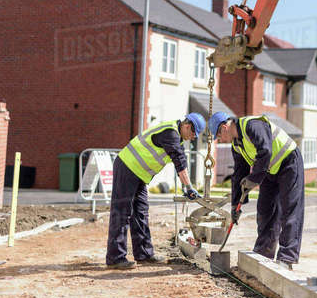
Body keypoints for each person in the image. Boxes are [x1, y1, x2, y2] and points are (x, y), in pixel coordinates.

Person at [105, 113, 205, 269]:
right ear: (187, 126)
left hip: (138, 174)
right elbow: (179, 160)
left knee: (141, 213)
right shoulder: (170, 133)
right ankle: (115, 258)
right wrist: (189, 187)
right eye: (193, 133)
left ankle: (144, 254)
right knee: (121, 212)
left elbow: (178, 158)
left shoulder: (174, 135)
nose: (193, 138)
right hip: (127, 167)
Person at [208, 112, 304, 269]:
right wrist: (235, 205)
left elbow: (265, 151)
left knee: (290, 210)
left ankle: (287, 258)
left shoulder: (252, 125)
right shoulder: (236, 145)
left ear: (224, 128)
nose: (219, 141)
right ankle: (263, 253)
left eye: (218, 137)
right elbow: (239, 174)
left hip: (289, 162)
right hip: (268, 170)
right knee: (265, 210)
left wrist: (253, 180)